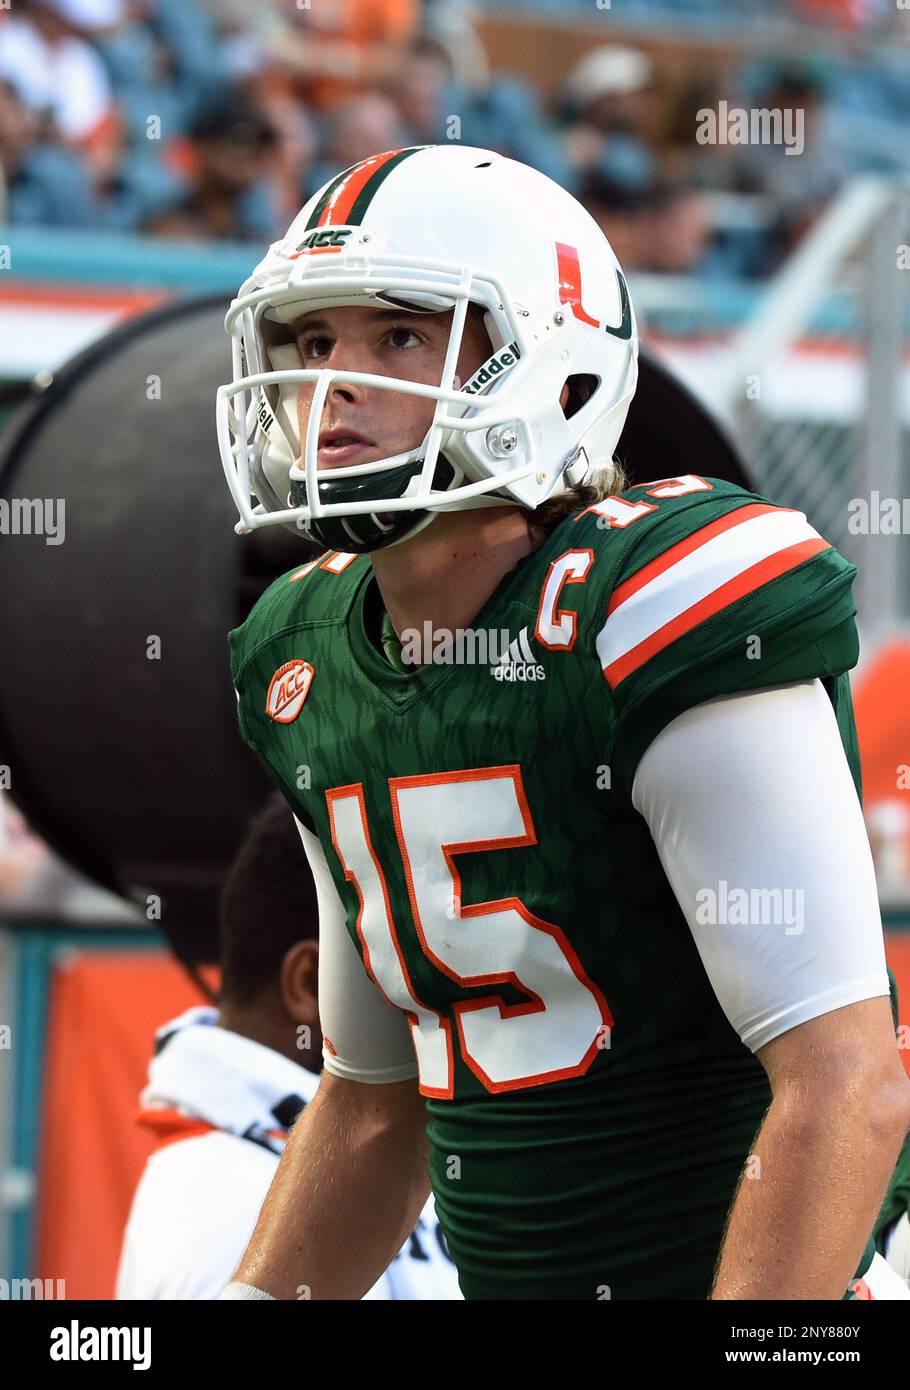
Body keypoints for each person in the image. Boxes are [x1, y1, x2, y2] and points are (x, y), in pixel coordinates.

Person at [216, 144, 910, 1300]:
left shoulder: (651, 606)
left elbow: (844, 1079)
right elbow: (375, 1106)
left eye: (396, 336)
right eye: (314, 341)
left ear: (553, 367)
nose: (335, 381)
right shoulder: (308, 656)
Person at [116, 793, 460, 1300]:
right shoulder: (216, 1202)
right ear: (309, 984)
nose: (441, 1005)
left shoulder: (286, 1168)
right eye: (415, 969)